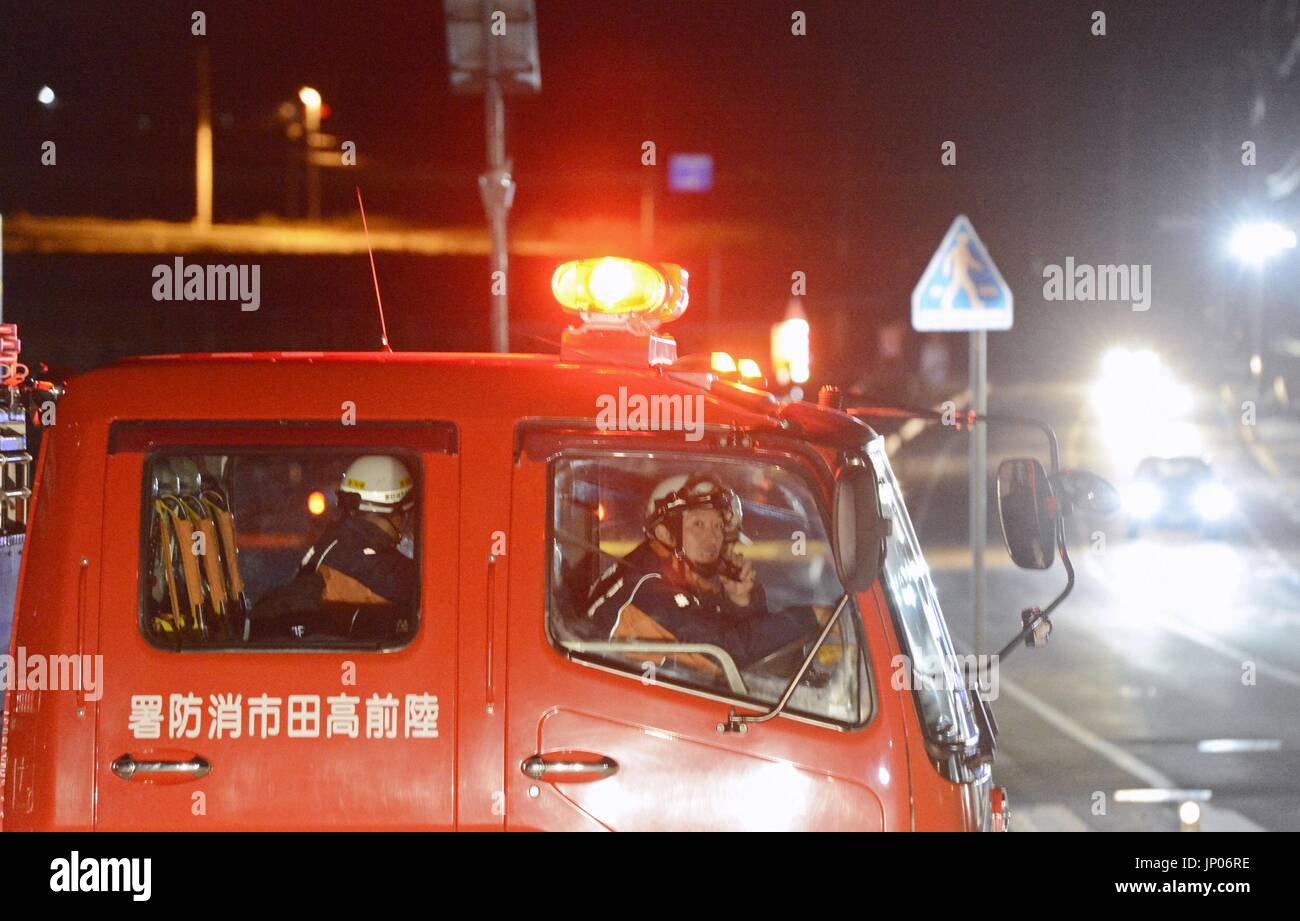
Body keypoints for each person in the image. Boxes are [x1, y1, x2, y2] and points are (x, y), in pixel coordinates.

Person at [583, 473, 827, 676]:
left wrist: (739, 601)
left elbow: (728, 636)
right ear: (665, 534)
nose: (712, 538)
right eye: (698, 525)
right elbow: (728, 653)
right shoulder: (647, 589)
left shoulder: (670, 576)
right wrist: (810, 618)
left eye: (718, 526)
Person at [248, 455, 416, 641]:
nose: (406, 524)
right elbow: (423, 594)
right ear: (397, 516)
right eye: (407, 514)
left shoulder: (335, 542)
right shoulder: (371, 565)